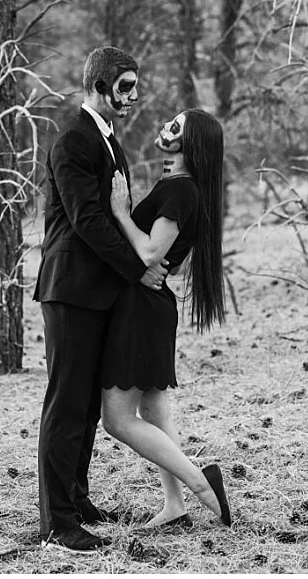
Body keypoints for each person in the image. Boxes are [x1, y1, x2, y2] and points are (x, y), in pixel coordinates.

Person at [33, 47, 169, 553]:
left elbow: (118, 214)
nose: (134, 96)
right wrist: (140, 267)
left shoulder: (107, 138)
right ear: (100, 84)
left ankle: (78, 500)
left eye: (136, 85)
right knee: (67, 403)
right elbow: (87, 220)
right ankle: (57, 523)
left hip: (99, 289)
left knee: (88, 404)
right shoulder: (74, 138)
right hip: (70, 289)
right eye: (126, 86)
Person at [103, 108, 233, 531]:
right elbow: (166, 260)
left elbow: (151, 254)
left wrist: (121, 213)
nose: (165, 127)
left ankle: (202, 486)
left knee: (118, 419)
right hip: (149, 306)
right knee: (156, 413)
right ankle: (175, 505)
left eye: (176, 127)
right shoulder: (179, 187)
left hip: (141, 311)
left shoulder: (183, 191)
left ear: (190, 143)